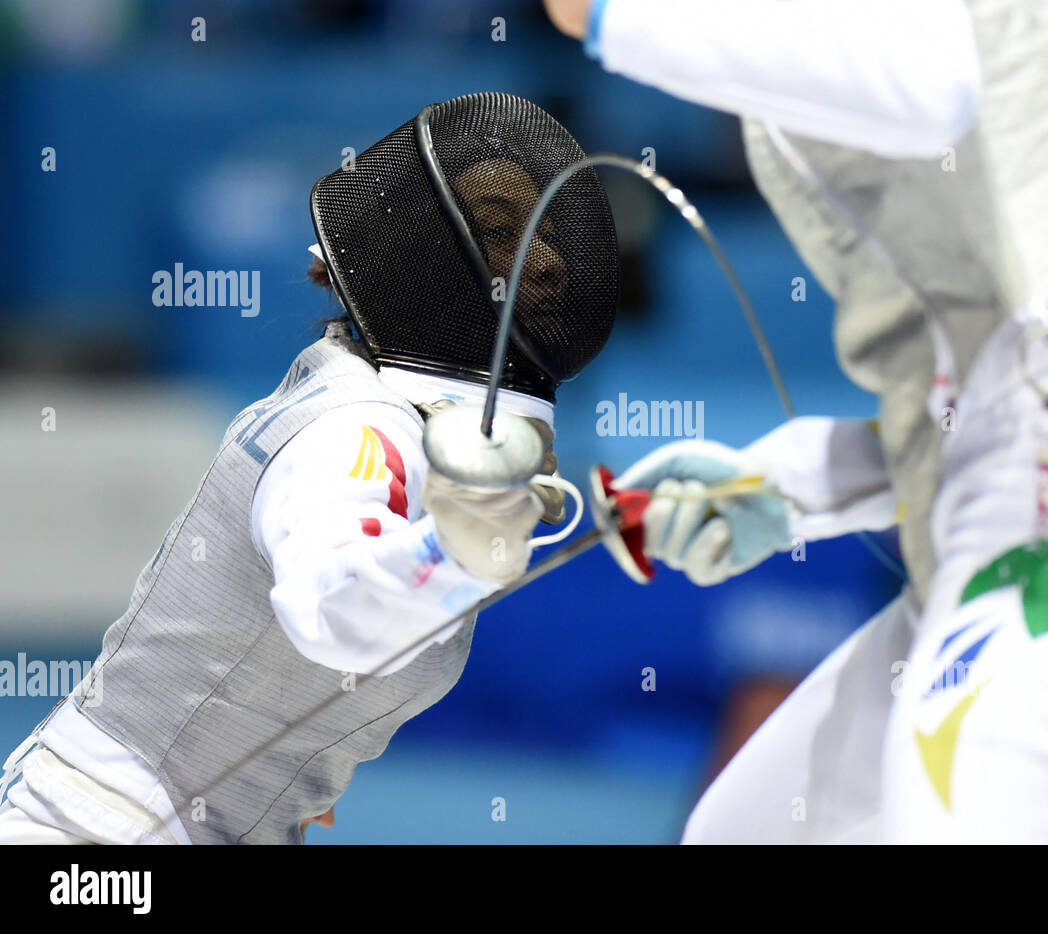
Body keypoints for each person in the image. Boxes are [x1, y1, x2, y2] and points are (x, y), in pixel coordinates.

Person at [546, 0, 1048, 842]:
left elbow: (930, 85)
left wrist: (616, 19)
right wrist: (786, 485)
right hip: (1046, 482)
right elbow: (976, 405)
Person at [0, 92, 620, 844]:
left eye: (546, 237)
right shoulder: (354, 428)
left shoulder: (397, 416)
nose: (548, 265)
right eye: (501, 234)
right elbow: (337, 610)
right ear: (422, 261)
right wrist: (453, 545)